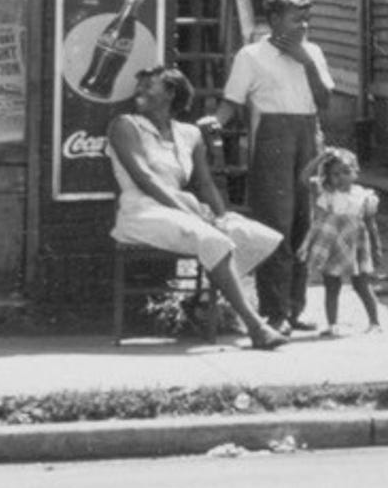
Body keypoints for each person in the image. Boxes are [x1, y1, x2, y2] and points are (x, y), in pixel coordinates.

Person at [106, 67, 284, 351]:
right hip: (141, 211)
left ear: (171, 93)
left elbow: (204, 182)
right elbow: (144, 178)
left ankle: (202, 305)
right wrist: (195, 217)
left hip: (181, 210)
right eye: (138, 87)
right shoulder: (125, 125)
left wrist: (221, 215)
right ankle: (256, 326)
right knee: (212, 239)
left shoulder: (189, 134)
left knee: (255, 235)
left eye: (148, 86)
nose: (139, 92)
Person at [214, 0, 333, 334]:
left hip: (308, 136)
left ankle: (296, 308)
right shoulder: (251, 55)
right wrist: (215, 123)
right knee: (276, 222)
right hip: (272, 138)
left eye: (307, 18)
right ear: (275, 20)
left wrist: (305, 60)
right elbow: (232, 101)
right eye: (297, 18)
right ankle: (274, 311)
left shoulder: (313, 52)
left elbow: (324, 100)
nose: (304, 25)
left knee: (304, 223)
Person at [298, 145, 387, 335]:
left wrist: (376, 248)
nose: (341, 177)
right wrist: (321, 158)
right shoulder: (325, 193)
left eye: (346, 172)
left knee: (361, 284)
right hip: (332, 244)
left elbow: (371, 224)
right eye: (335, 174)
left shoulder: (364, 196)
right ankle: (332, 325)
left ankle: (375, 322)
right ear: (328, 176)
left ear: (356, 172)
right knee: (332, 285)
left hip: (356, 244)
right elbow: (304, 178)